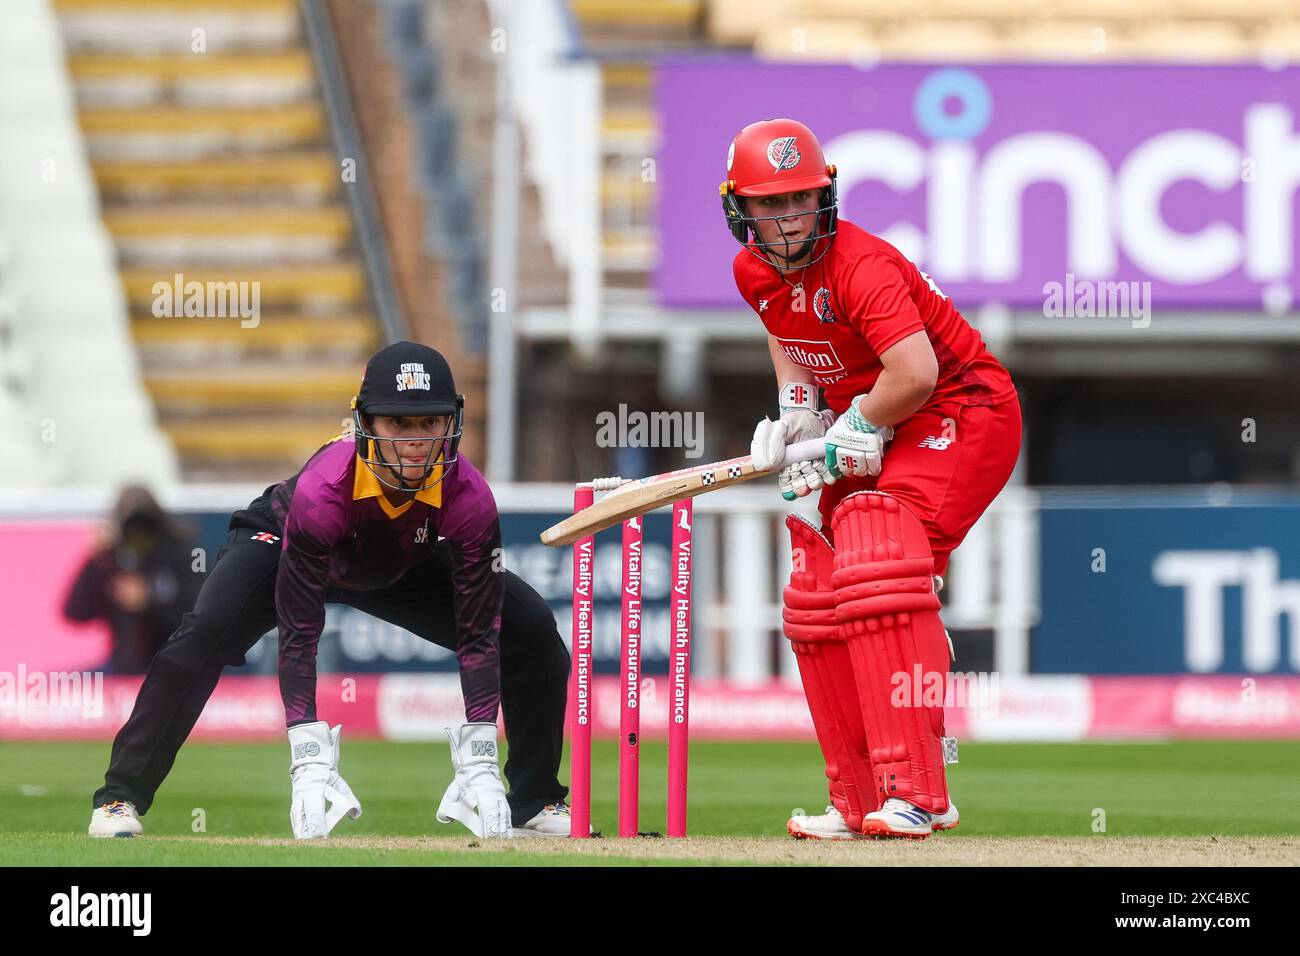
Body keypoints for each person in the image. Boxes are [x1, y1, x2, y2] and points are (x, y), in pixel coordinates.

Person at [89, 341, 571, 839]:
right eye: (398, 423)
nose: (415, 441)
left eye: (430, 422)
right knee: (205, 633)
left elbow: (478, 635)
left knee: (531, 630)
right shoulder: (324, 490)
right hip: (286, 542)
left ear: (452, 423)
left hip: (397, 562)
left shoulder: (469, 497)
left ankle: (534, 801)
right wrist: (307, 748)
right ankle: (119, 797)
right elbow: (300, 632)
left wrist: (480, 753)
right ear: (365, 423)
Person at [723, 119, 1022, 839]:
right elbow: (785, 329)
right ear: (741, 210)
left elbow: (917, 374)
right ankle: (857, 797)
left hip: (959, 407)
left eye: (800, 199)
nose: (789, 218)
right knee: (817, 583)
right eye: (771, 204)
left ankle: (920, 791)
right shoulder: (752, 272)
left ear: (825, 196)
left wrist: (858, 421)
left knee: (877, 550)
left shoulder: (861, 264)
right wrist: (799, 413)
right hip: (883, 414)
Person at [64, 486, 201, 675]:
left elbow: (200, 606)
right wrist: (94, 561)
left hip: (174, 664)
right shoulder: (110, 559)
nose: (138, 536)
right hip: (122, 666)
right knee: (67, 689)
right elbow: (74, 612)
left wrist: (150, 596)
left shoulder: (185, 551)